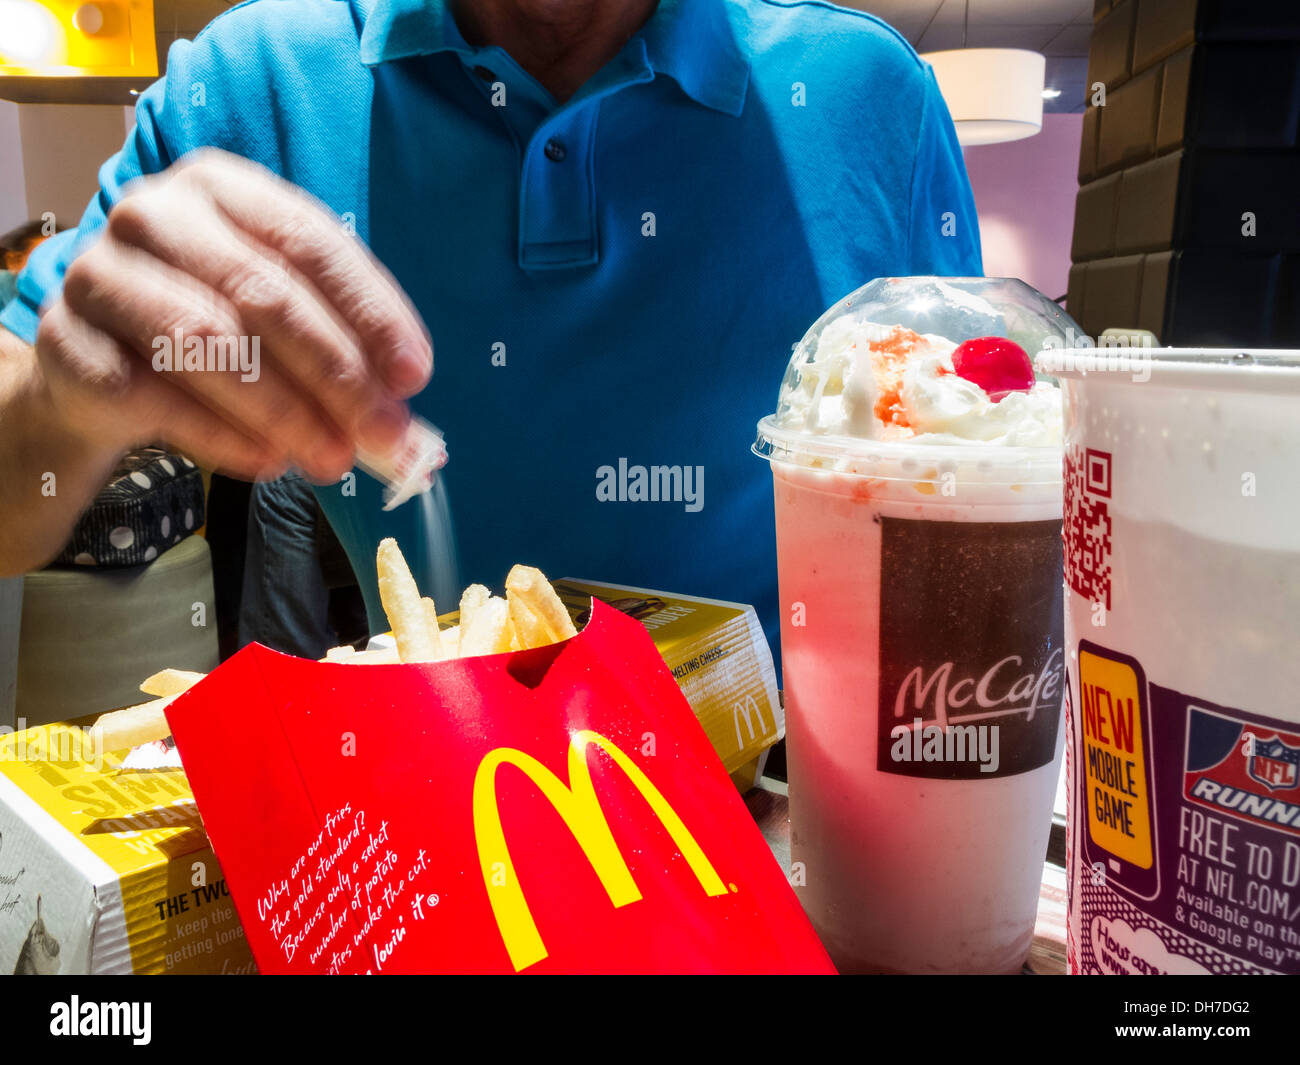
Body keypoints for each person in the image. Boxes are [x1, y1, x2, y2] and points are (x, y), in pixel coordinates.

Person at [0, 0, 981, 656]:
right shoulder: (247, 88)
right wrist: (56, 399)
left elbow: (976, 527)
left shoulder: (866, 99)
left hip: (808, 862)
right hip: (436, 831)